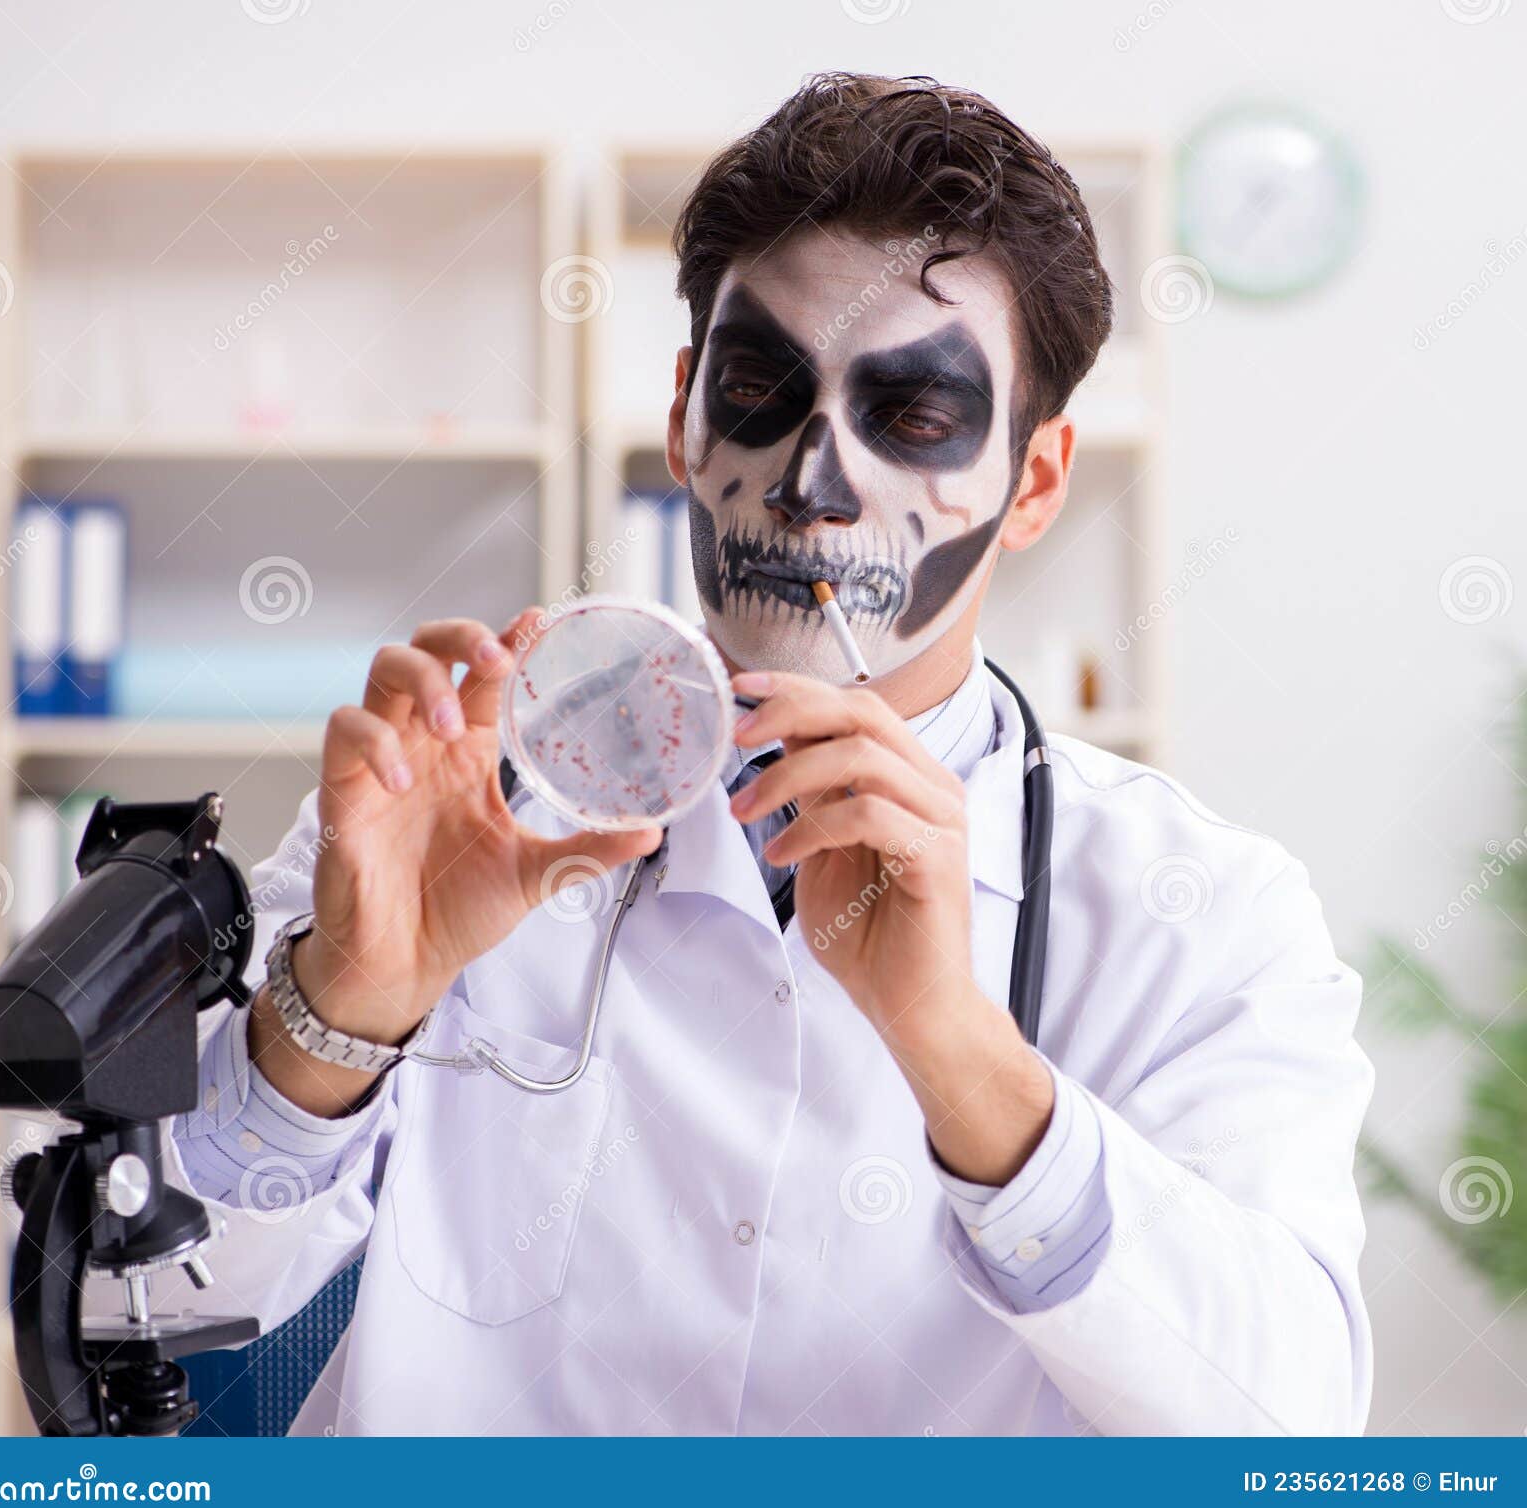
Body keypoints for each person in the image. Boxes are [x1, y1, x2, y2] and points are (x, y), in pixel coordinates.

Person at [166, 72, 1373, 1436]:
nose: (810, 484)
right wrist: (338, 1021)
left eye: (912, 416)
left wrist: (959, 1047)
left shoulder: (1199, 910)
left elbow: (1288, 1430)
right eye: (760, 389)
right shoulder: (442, 812)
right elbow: (137, 1323)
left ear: (1033, 484)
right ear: (686, 416)